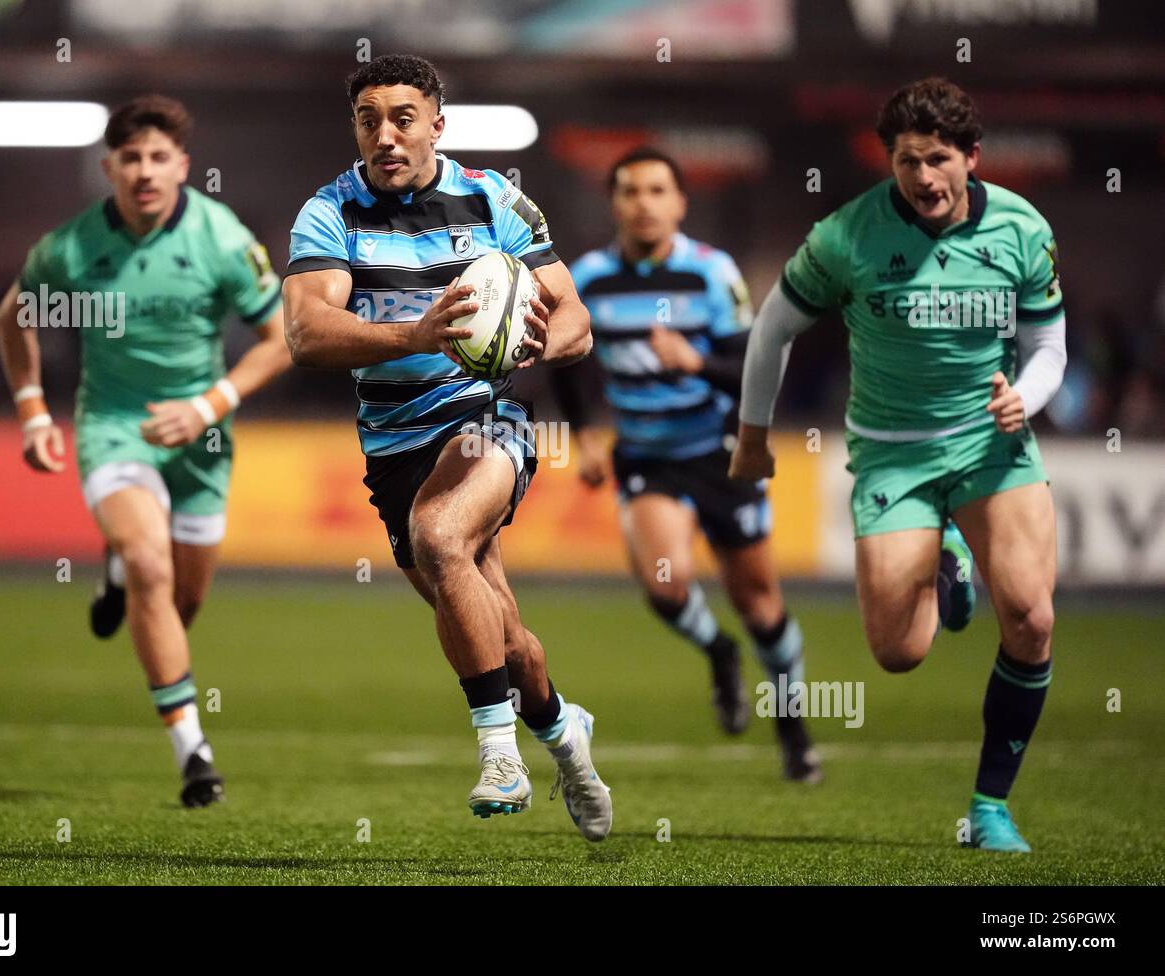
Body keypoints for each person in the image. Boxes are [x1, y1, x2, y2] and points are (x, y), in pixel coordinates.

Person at [731, 78, 1066, 852]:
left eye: (938, 159)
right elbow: (772, 329)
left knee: (1032, 617)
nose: (922, 178)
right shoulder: (847, 235)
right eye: (907, 161)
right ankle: (949, 557)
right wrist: (752, 436)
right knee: (897, 652)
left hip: (993, 445)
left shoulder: (1022, 228)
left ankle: (989, 807)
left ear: (972, 158)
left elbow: (1050, 344)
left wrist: (1029, 396)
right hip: (893, 457)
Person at [282, 54, 612, 840]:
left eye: (403, 117)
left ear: (437, 122)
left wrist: (525, 346)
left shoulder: (494, 199)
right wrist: (414, 332)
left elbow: (575, 321)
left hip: (482, 417)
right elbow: (305, 332)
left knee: (440, 535)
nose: (386, 136)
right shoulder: (330, 212)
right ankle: (567, 737)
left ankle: (500, 753)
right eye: (369, 120)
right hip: (395, 447)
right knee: (513, 649)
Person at [0, 94, 291, 807]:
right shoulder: (71, 247)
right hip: (115, 427)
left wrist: (207, 406)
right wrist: (33, 410)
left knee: (177, 604)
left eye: (159, 157)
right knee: (152, 566)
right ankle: (195, 752)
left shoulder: (222, 240)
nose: (145, 172)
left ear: (183, 166)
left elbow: (284, 340)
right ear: (109, 169)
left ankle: (118, 577)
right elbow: (14, 315)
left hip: (202, 437)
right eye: (130, 159)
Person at [551, 147, 821, 782]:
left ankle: (792, 726)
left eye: (656, 190)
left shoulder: (711, 273)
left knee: (759, 603)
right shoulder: (586, 277)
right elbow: (567, 362)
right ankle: (718, 651)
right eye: (630, 192)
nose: (643, 203)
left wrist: (695, 363)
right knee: (667, 587)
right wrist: (585, 436)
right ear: (613, 203)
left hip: (720, 454)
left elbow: (755, 370)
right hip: (648, 456)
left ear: (680, 203)